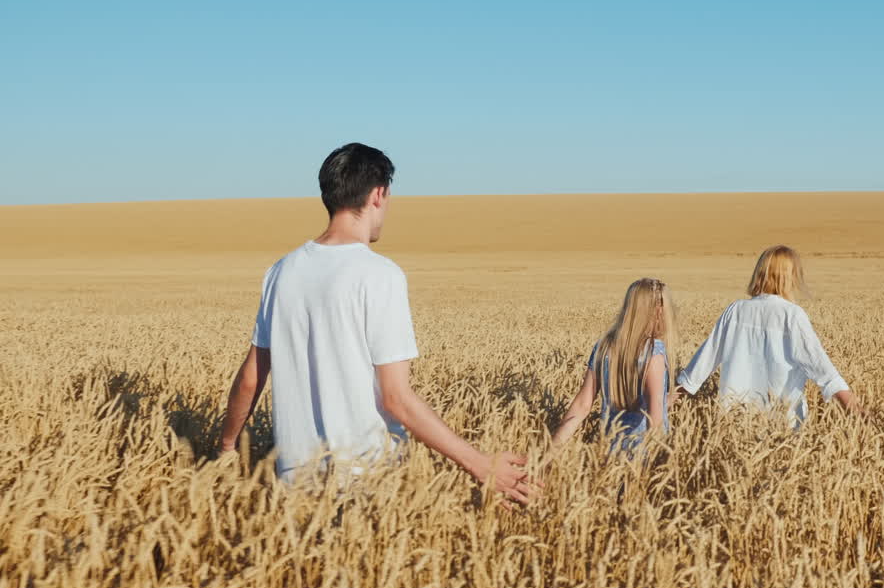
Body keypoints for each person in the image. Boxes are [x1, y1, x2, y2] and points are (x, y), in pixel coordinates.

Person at [217, 143, 534, 504]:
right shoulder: (380, 275)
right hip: (369, 485)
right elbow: (396, 398)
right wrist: (480, 464)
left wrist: (228, 448)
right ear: (379, 193)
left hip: (294, 487)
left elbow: (250, 378)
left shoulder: (281, 272)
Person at [674, 245, 867, 426]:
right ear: (790, 277)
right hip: (781, 425)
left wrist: (669, 399)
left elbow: (704, 360)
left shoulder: (736, 310)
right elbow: (822, 368)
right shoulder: (792, 315)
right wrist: (857, 411)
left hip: (733, 424)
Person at [551, 278, 678, 455]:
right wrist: (662, 464)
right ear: (658, 310)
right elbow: (654, 420)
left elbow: (582, 405)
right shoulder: (653, 351)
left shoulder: (604, 346)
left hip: (609, 457)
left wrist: (547, 455)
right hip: (643, 458)